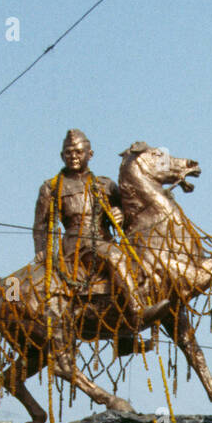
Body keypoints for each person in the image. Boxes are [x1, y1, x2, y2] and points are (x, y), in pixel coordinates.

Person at [33, 129, 161, 331]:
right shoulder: (51, 187)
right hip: (78, 246)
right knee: (116, 258)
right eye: (68, 153)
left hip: (105, 239)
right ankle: (137, 312)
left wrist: (120, 214)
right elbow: (41, 224)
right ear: (62, 156)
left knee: (139, 266)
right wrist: (41, 249)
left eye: (78, 152)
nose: (73, 156)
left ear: (89, 154)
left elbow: (129, 215)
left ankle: (125, 336)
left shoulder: (106, 185)